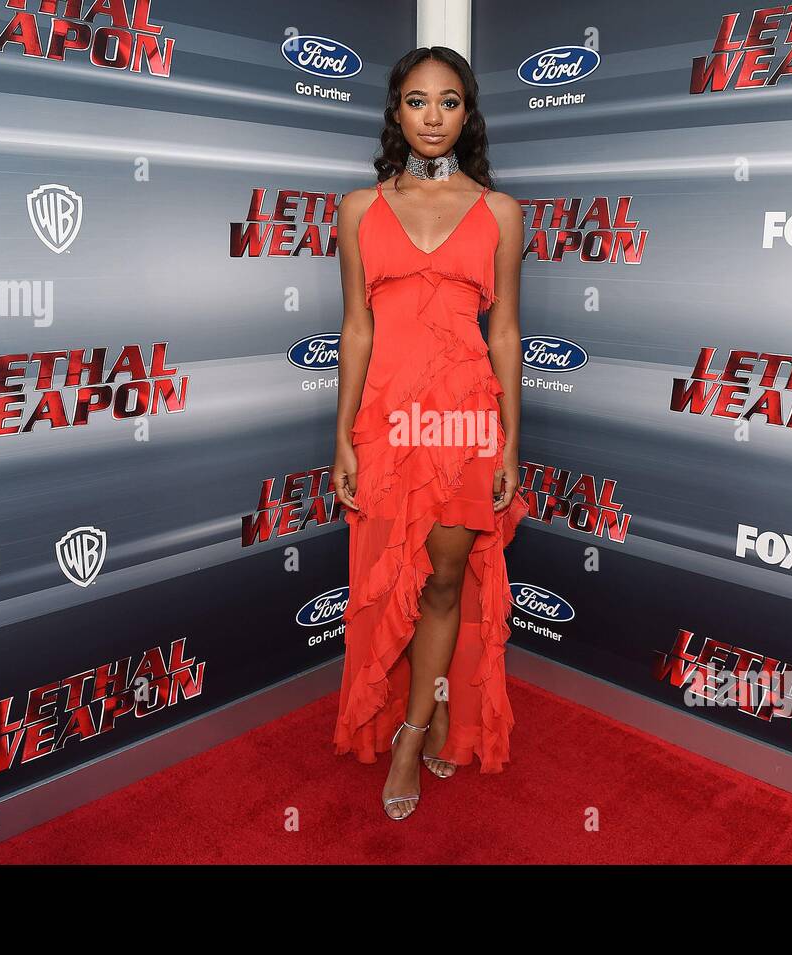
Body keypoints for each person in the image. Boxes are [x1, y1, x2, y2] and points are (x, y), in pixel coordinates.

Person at [330, 46, 530, 820]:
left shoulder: (501, 212)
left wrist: (511, 439)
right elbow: (354, 328)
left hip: (465, 422)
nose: (434, 117)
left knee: (445, 581)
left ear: (468, 114)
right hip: (387, 422)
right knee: (393, 584)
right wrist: (343, 433)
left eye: (449, 102)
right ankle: (432, 703)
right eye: (418, 101)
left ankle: (414, 731)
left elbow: (507, 333)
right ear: (397, 111)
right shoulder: (358, 208)